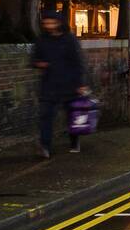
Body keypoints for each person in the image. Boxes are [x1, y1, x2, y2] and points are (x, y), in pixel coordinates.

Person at [31, 10, 88, 158]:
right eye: (46, 23)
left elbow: (78, 62)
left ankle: (74, 141)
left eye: (51, 22)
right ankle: (45, 147)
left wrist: (80, 84)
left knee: (72, 116)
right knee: (46, 117)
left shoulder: (69, 39)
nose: (49, 25)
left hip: (69, 85)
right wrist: (39, 64)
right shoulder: (42, 40)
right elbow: (33, 59)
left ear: (59, 23)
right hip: (49, 86)